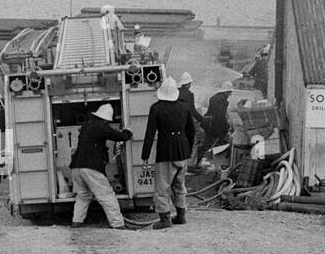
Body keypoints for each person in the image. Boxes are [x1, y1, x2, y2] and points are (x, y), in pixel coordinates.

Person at [142, 76, 197, 228]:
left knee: (162, 187)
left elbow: (150, 133)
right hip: (183, 151)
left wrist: (145, 155)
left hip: (165, 152)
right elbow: (191, 131)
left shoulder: (156, 108)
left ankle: (165, 220)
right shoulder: (184, 106)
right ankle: (181, 216)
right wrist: (188, 150)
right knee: (179, 186)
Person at [68, 103, 132, 230]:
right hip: (90, 167)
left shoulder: (86, 125)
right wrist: (127, 131)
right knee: (106, 195)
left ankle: (77, 222)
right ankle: (118, 224)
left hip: (76, 166)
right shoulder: (102, 127)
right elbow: (121, 137)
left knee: (83, 196)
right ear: (106, 119)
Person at [194, 81, 234, 164]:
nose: (230, 94)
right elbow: (220, 116)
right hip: (214, 125)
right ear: (226, 92)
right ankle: (206, 158)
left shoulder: (216, 98)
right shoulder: (221, 100)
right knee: (224, 141)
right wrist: (226, 127)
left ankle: (197, 159)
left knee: (207, 143)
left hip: (209, 124)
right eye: (230, 92)